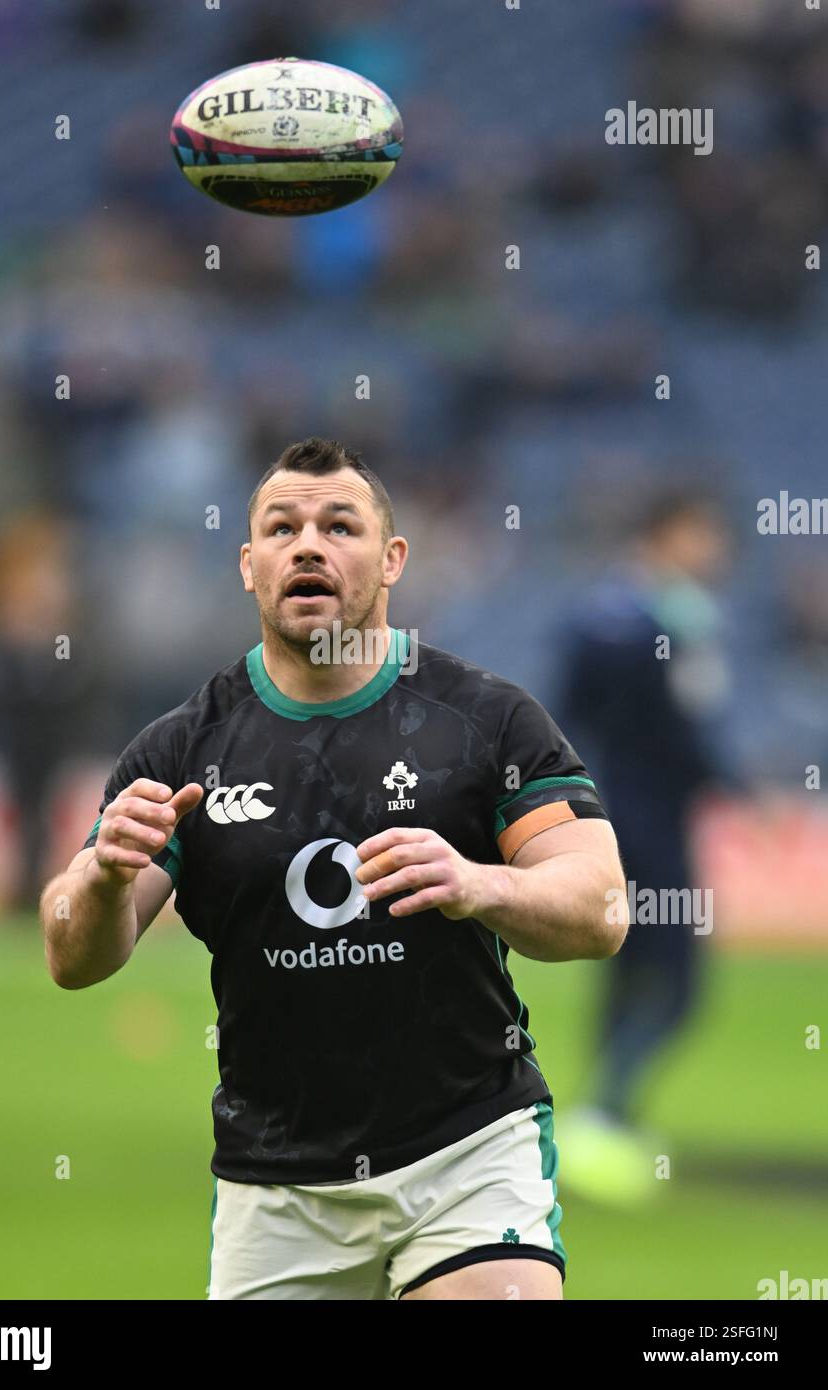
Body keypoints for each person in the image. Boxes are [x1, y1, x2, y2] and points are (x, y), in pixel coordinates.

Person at [40, 436, 627, 1300]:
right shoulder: (178, 749)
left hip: (465, 1149)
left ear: (391, 560)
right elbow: (74, 957)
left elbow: (603, 906)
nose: (308, 544)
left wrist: (478, 884)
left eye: (339, 526)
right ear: (249, 566)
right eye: (282, 528)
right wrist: (99, 879)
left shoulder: (485, 721)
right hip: (276, 1182)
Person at [553, 486, 734, 1205]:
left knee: (626, 974)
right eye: (703, 534)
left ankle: (604, 1119)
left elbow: (567, 712)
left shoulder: (610, 616)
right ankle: (604, 1113)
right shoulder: (652, 624)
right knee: (680, 986)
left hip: (616, 815)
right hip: (648, 823)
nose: (715, 552)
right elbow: (678, 735)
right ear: (666, 534)